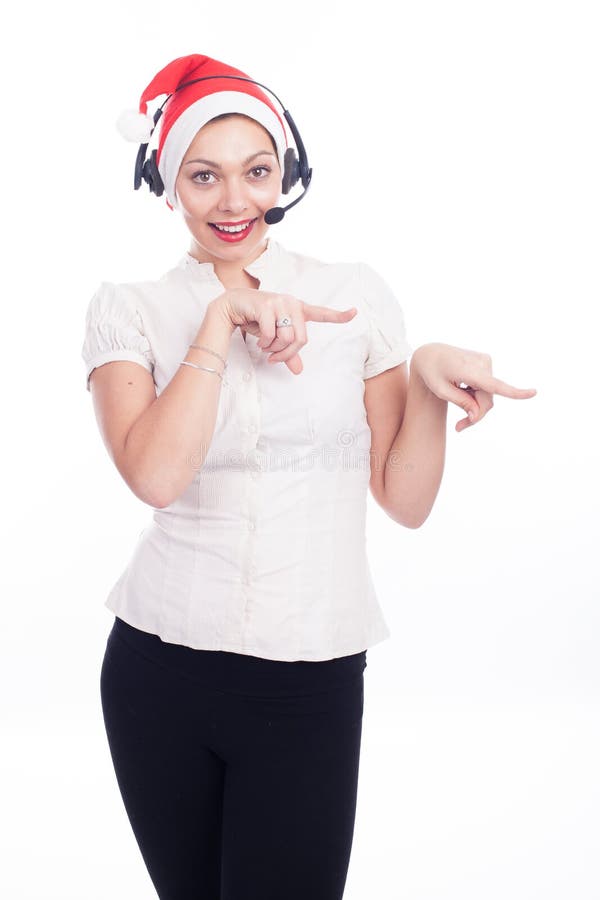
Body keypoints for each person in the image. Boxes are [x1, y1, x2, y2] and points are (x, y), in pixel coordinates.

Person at [81, 53, 537, 900]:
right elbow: (153, 475)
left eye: (257, 172)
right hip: (157, 671)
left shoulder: (354, 297)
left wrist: (427, 379)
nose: (234, 201)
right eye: (204, 176)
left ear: (286, 173)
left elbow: (404, 502)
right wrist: (219, 324)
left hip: (308, 681)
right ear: (169, 182)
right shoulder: (130, 309)